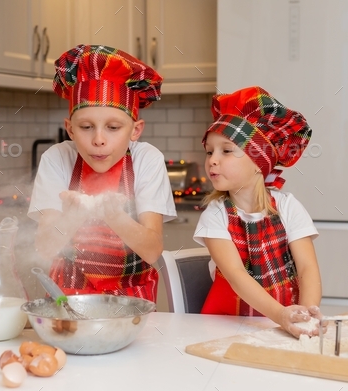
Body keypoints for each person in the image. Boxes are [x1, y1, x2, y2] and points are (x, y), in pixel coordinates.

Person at [27, 44, 176, 303]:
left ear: (135, 130)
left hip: (131, 304)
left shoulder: (146, 160)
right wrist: (75, 214)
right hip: (66, 301)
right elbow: (45, 247)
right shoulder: (57, 159)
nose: (98, 140)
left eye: (113, 127)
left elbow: (152, 251)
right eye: (86, 127)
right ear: (70, 129)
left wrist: (113, 215)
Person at [194, 86, 323, 338]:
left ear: (258, 163)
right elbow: (236, 275)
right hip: (225, 328)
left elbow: (307, 268)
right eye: (210, 151)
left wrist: (306, 316)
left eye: (226, 150)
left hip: (282, 327)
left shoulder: (287, 207)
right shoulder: (215, 214)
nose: (212, 160)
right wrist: (282, 316)